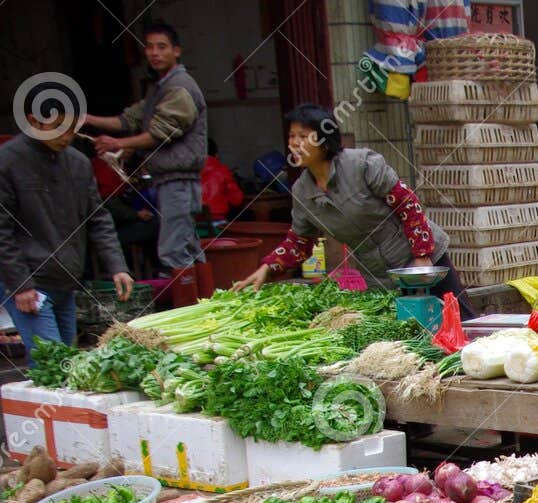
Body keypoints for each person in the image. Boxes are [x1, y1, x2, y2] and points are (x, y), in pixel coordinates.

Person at [232, 105, 472, 314]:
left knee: (460, 320)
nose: (295, 143)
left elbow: (406, 204)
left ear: (324, 141)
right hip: (380, 275)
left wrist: (422, 258)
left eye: (304, 136)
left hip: (424, 259)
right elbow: (299, 242)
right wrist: (268, 267)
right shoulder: (302, 191)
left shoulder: (361, 164)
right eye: (292, 136)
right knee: (413, 336)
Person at [0, 106, 134, 362]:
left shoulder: (78, 163)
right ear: (33, 121)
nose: (66, 136)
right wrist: (21, 284)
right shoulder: (8, 160)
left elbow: (98, 217)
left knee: (68, 362)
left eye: (73, 129)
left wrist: (117, 265)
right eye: (59, 127)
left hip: (66, 277)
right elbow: (2, 231)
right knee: (52, 362)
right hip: (28, 279)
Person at [82, 20, 208, 277]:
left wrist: (118, 143)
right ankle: (207, 302)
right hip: (170, 182)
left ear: (176, 50)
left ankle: (193, 309)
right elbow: (128, 119)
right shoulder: (159, 88)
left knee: (174, 252)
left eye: (162, 47)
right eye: (149, 47)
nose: (154, 53)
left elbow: (162, 132)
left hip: (179, 181)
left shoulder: (180, 87)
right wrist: (87, 119)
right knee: (188, 248)